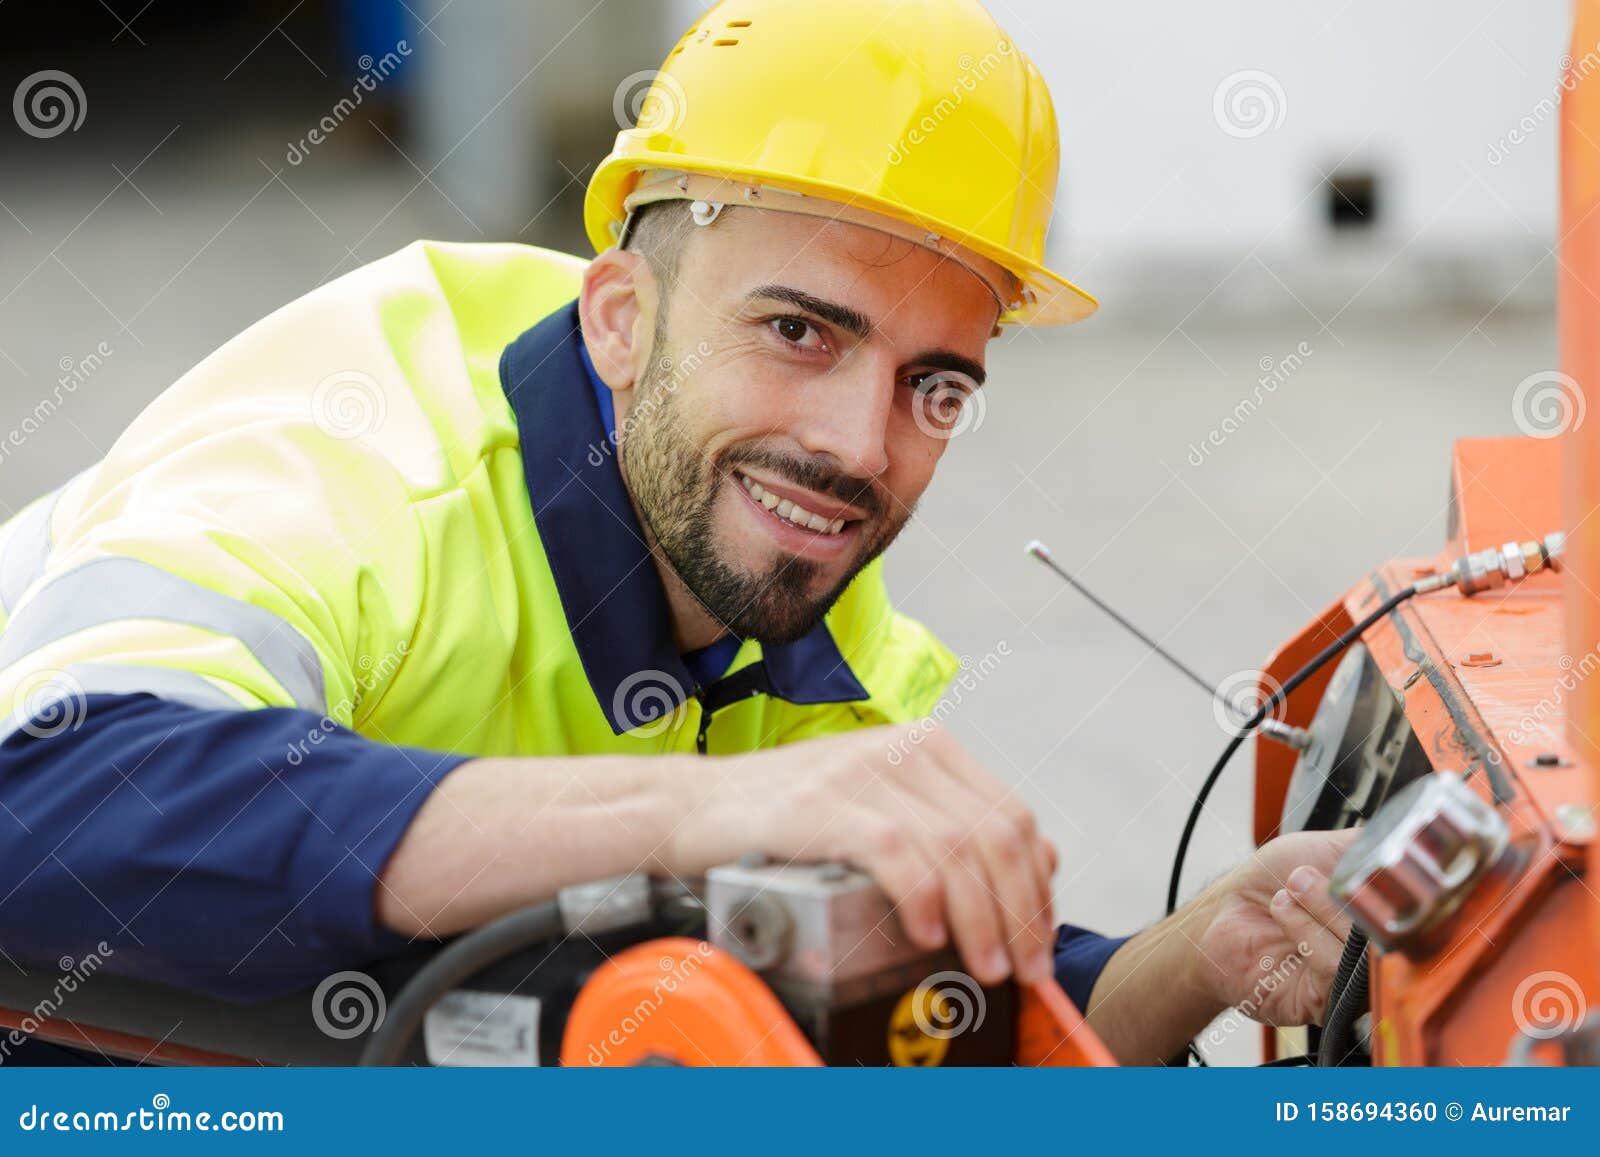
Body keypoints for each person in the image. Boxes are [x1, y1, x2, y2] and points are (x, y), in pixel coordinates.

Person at [0, 0, 1350, 1065]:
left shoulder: (826, 648)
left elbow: (937, 1042)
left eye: (933, 382)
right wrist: (711, 812)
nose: (858, 446)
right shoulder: (350, 456)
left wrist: (1203, 951)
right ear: (621, 319)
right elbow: (58, 802)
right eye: (798, 330)